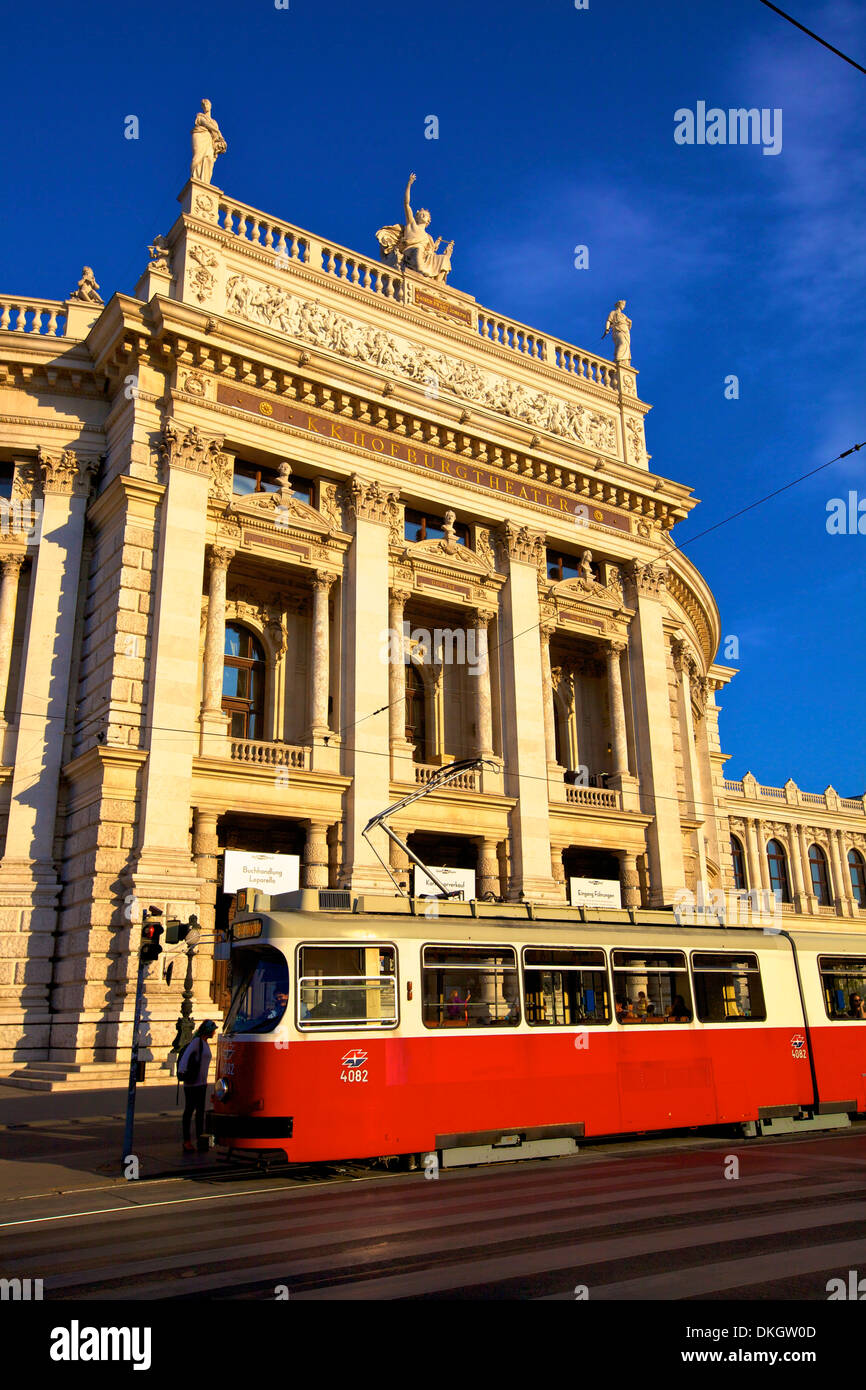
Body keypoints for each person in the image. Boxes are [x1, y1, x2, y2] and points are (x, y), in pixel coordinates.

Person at [179, 1019, 217, 1153]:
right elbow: (185, 1058)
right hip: (192, 1084)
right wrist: (182, 1073)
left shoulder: (205, 1043)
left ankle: (200, 1141)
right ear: (207, 1030)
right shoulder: (196, 1042)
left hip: (201, 1084)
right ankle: (186, 1141)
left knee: (200, 1113)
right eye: (213, 1029)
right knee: (189, 1111)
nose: (215, 1031)